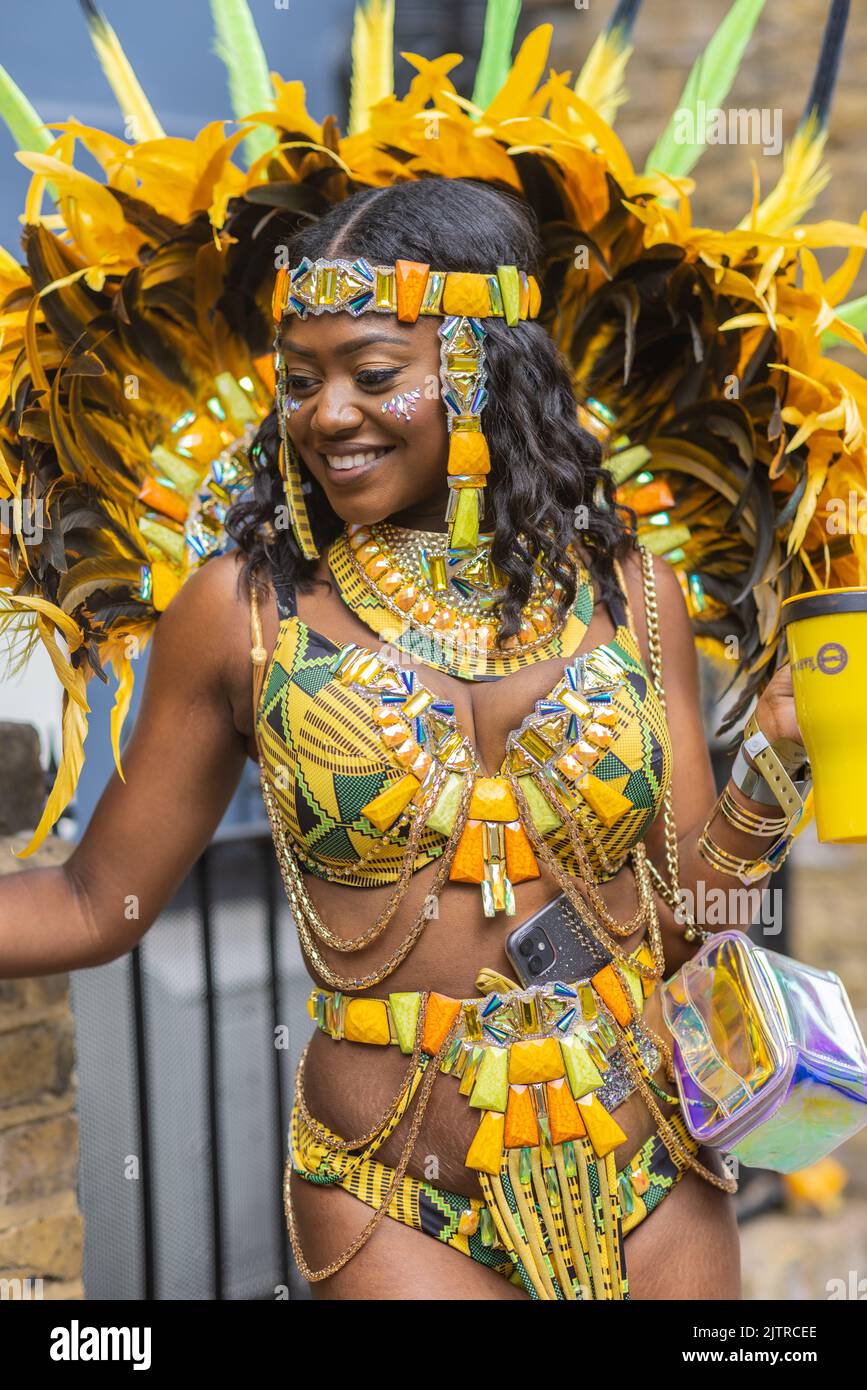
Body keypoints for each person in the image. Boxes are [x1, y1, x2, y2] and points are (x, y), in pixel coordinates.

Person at [0, 174, 805, 1300]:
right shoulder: (245, 615)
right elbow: (96, 903)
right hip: (390, 1196)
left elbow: (675, 919)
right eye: (301, 382)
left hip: (650, 1166)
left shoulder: (633, 596)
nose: (328, 413)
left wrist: (774, 775)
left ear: (483, 367)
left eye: (374, 374)